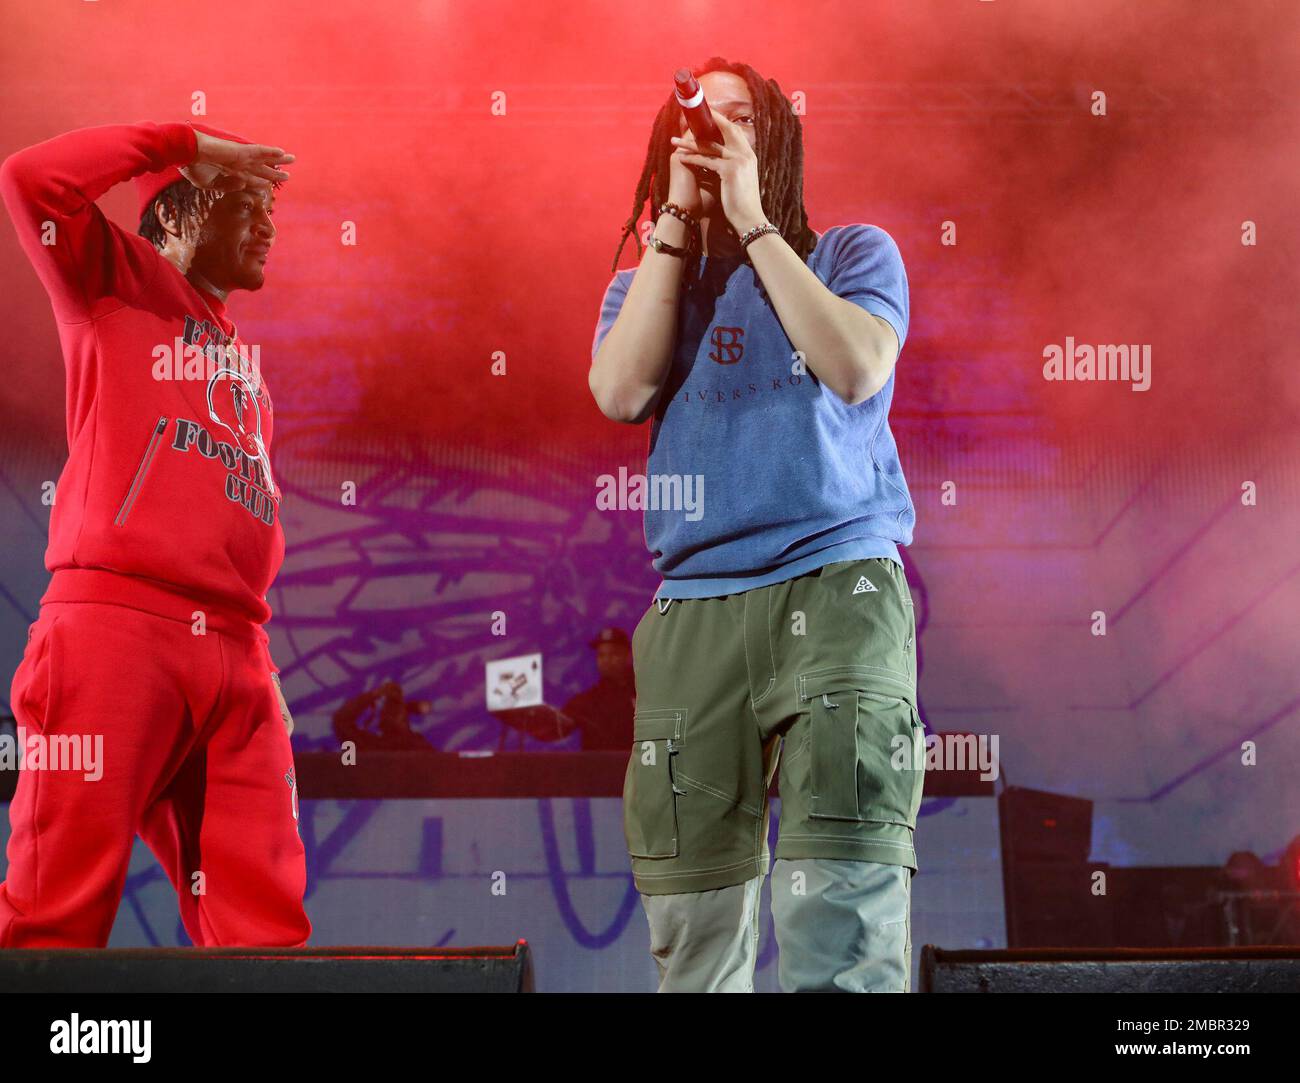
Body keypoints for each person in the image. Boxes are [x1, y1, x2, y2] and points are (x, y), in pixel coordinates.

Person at [589, 57, 923, 992]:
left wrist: (754, 221)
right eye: (698, 124)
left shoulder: (851, 254)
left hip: (838, 580)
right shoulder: (645, 287)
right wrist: (673, 224)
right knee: (694, 927)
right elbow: (620, 391)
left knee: (838, 903)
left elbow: (857, 368)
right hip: (696, 602)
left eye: (740, 119)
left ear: (773, 141)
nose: (717, 132)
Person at [0, 120, 311, 947]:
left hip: (239, 650)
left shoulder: (245, 366)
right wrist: (173, 138)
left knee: (264, 929)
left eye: (270, 205)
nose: (270, 223)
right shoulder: (111, 281)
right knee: (56, 915)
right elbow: (31, 179)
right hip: (118, 628)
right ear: (174, 217)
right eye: (245, 200)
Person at [558, 627, 636, 751]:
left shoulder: (643, 693)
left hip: (636, 767)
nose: (606, 660)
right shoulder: (588, 700)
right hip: (595, 768)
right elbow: (558, 725)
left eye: (613, 654)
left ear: (628, 656)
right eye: (601, 655)